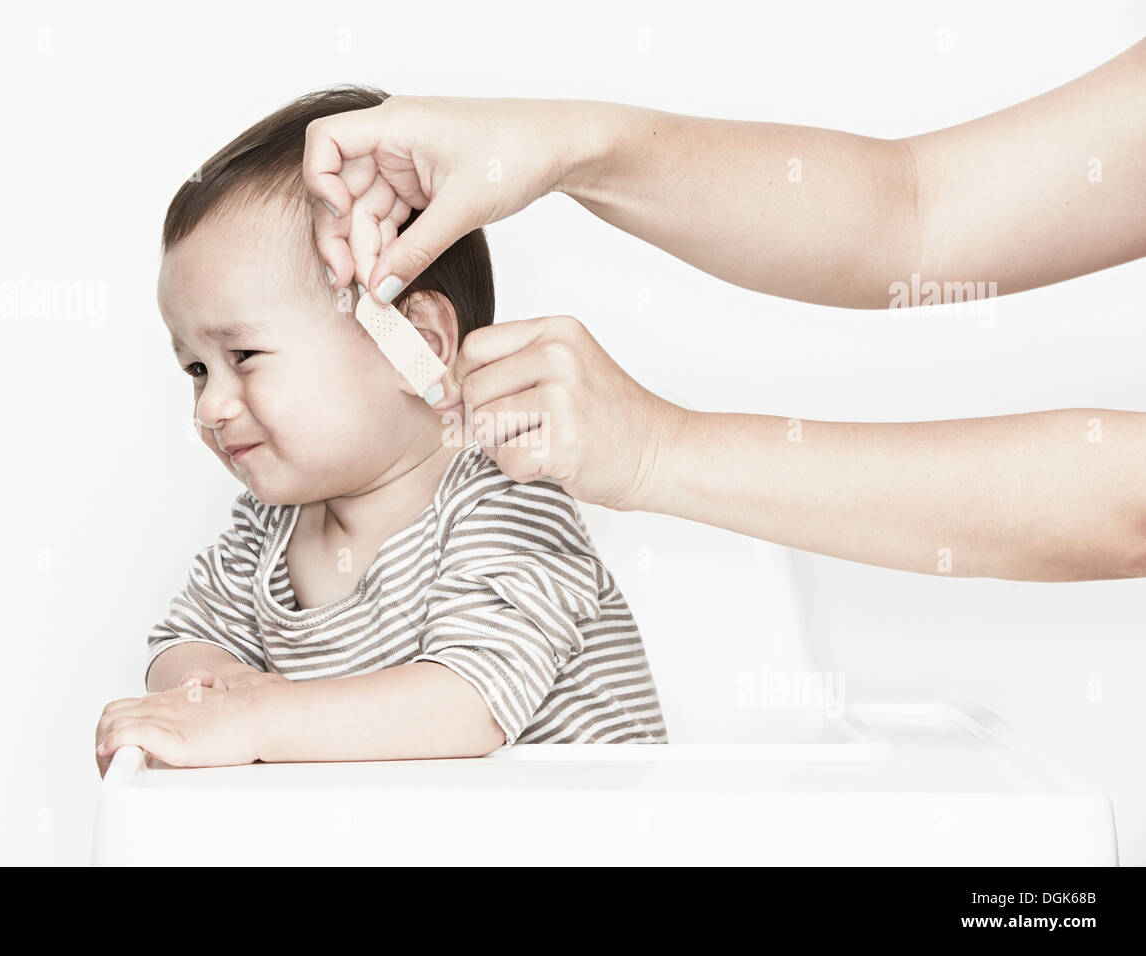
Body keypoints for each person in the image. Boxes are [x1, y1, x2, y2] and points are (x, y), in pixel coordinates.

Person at [302, 38, 1146, 582]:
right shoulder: (260, 545)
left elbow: (1127, 510)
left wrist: (662, 451)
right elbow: (921, 210)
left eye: (249, 355)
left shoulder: (502, 546)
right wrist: (572, 146)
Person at [94, 87, 668, 778]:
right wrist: (208, 692)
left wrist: (255, 717)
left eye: (242, 356)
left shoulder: (506, 496)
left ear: (413, 346)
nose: (210, 406)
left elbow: (469, 702)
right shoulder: (266, 531)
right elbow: (182, 639)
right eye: (195, 368)